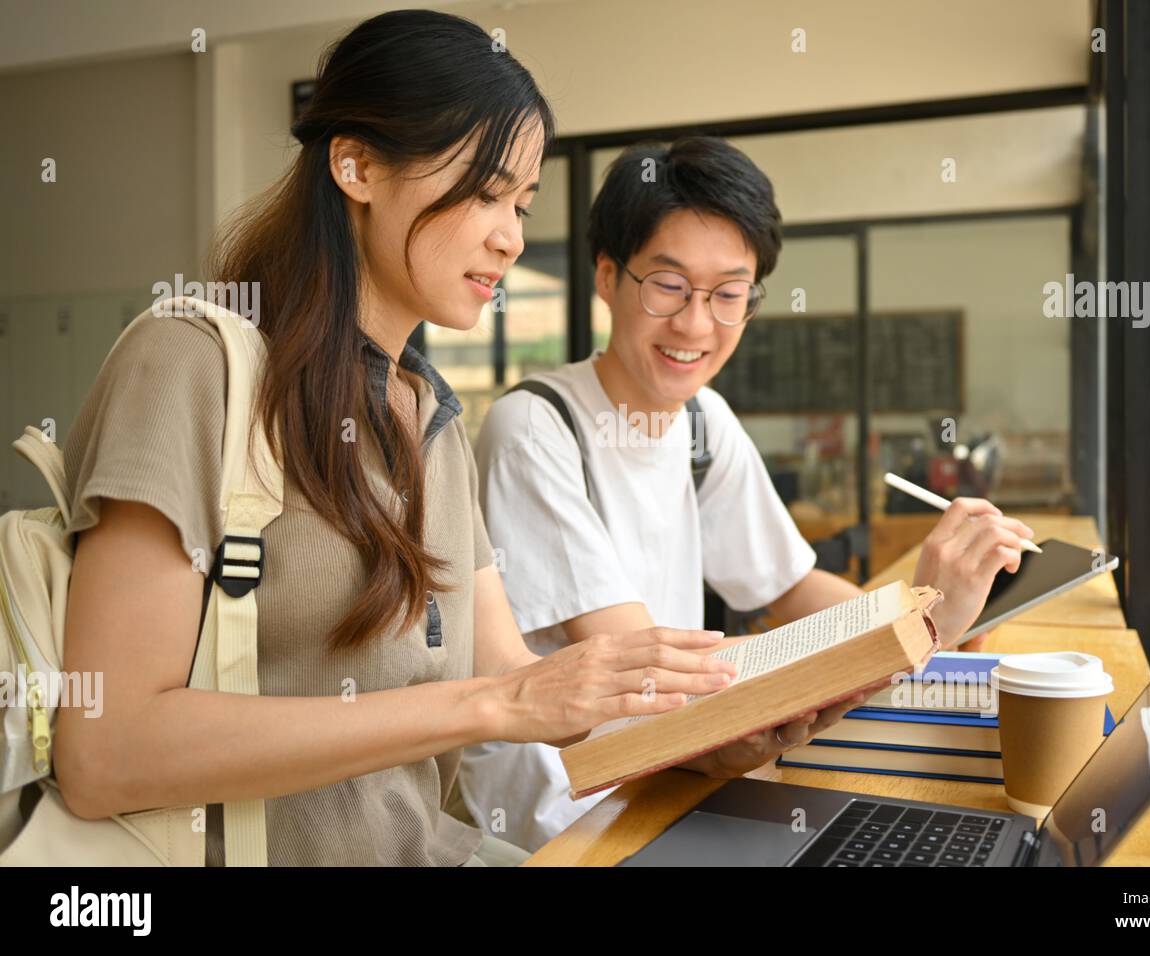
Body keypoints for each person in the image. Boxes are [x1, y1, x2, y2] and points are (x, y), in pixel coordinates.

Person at [54, 10, 864, 868]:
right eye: (484, 192)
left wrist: (713, 742)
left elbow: (523, 682)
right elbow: (106, 752)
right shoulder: (191, 362)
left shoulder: (427, 418)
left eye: (520, 202)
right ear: (355, 164)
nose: (510, 236)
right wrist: (493, 704)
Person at [456, 137, 1037, 851]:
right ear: (607, 277)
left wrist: (935, 623)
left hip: (674, 779)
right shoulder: (536, 429)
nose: (697, 325)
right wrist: (922, 620)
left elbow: (791, 587)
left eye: (728, 295)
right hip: (572, 822)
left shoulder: (703, 419)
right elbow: (637, 669)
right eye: (667, 286)